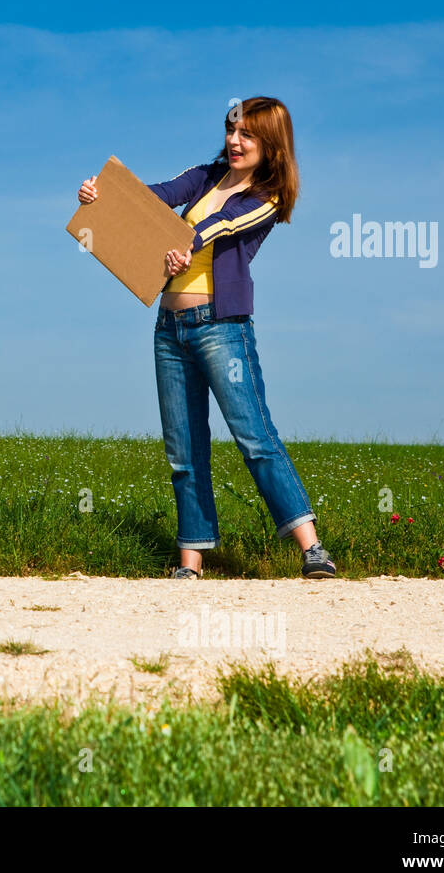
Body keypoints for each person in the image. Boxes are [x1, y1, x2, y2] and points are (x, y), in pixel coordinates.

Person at [76, 96, 336, 579]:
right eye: (231, 130)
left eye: (248, 135)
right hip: (169, 329)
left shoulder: (268, 197)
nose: (234, 141)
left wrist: (181, 242)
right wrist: (102, 196)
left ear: (272, 145)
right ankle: (190, 564)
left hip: (222, 328)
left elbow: (221, 225)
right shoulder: (205, 176)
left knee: (254, 436)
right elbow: (155, 194)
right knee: (184, 449)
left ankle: (312, 549)